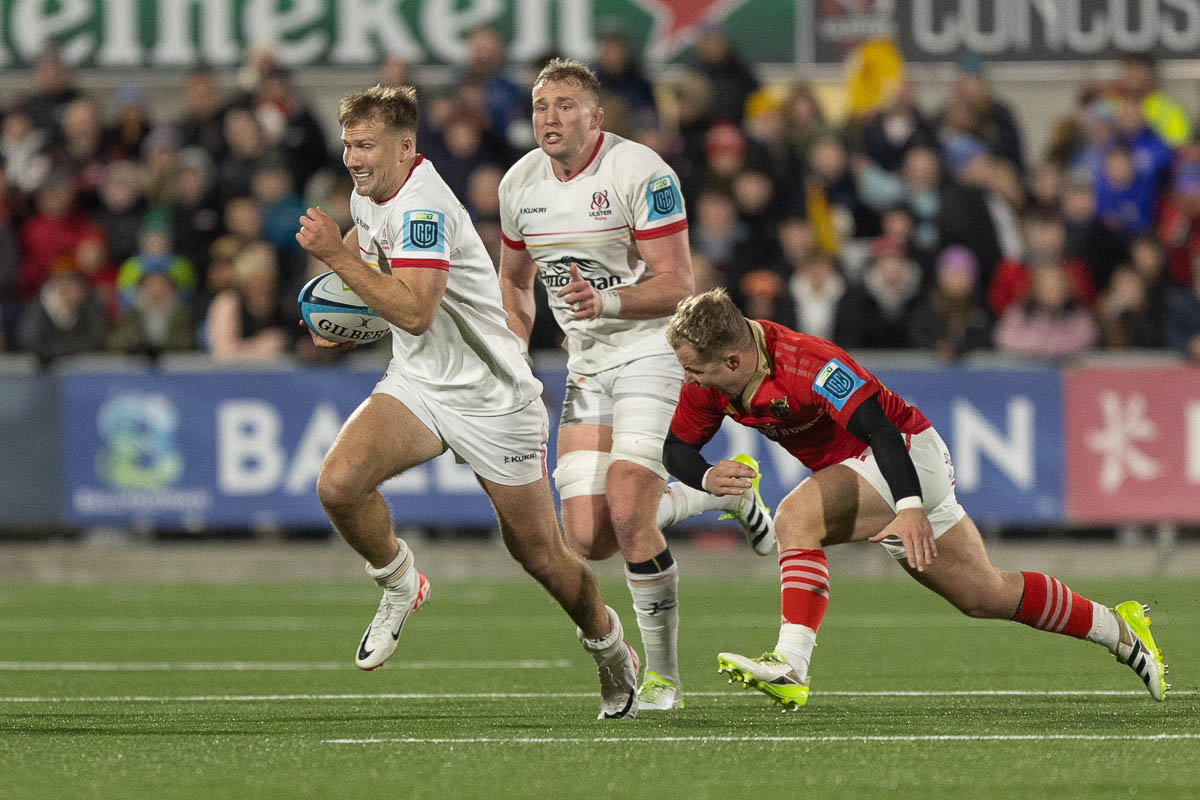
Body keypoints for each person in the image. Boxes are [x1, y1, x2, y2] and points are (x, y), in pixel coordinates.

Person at [295, 83, 640, 719]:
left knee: (537, 553)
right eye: (347, 145)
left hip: (493, 397)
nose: (353, 158)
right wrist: (341, 316)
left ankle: (609, 645)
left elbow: (416, 310)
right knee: (339, 485)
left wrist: (336, 258)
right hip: (420, 383)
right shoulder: (371, 193)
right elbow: (380, 286)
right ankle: (399, 581)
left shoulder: (422, 209)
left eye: (366, 145)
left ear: (406, 147)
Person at [661, 288, 1170, 709]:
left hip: (905, 455)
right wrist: (706, 477)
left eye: (694, 371)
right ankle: (1120, 630)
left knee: (795, 519)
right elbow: (677, 448)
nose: (689, 381)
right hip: (861, 472)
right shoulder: (712, 377)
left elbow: (879, 430)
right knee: (984, 595)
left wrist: (908, 508)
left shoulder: (808, 363)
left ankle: (791, 663)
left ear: (732, 357)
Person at [497, 59, 775, 712]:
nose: (551, 118)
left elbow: (679, 280)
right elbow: (512, 281)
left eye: (566, 105)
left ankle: (664, 678)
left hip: (655, 351)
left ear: (596, 116)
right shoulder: (519, 184)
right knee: (589, 538)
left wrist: (609, 302)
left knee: (628, 507)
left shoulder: (641, 172)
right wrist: (514, 351)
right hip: (588, 364)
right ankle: (727, 496)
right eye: (542, 106)